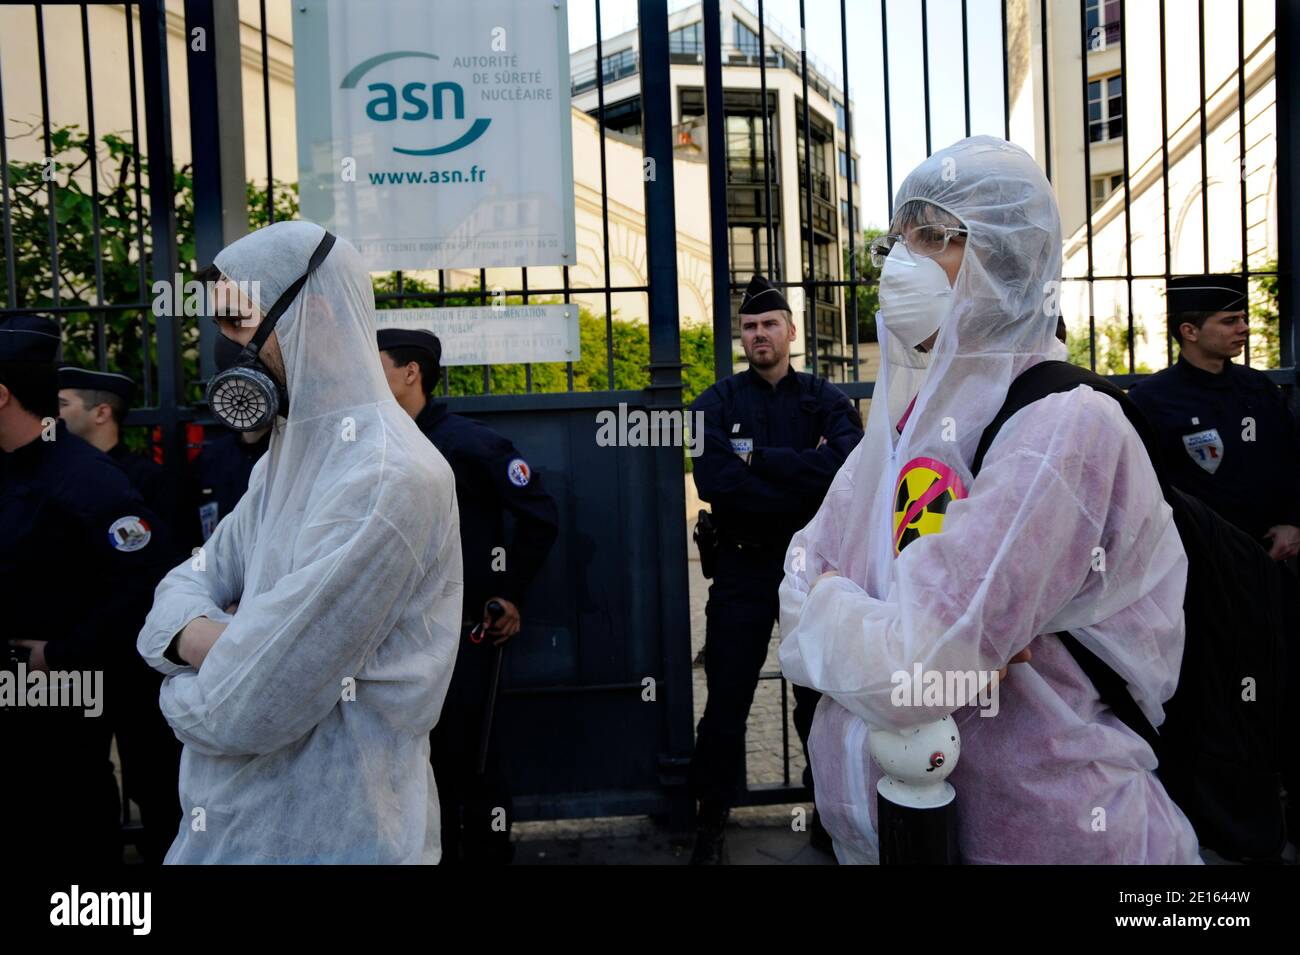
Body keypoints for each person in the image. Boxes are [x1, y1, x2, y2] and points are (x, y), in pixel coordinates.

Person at [778, 136, 1200, 864]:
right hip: (900, 838)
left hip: (1054, 834)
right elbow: (797, 577)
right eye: (898, 238)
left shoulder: (1064, 425)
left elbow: (913, 670)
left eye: (934, 236)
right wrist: (889, 621)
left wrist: (838, 604)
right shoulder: (909, 423)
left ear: (1007, 259)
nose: (902, 259)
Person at [135, 221, 464, 863]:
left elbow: (250, 708)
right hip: (233, 831)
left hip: (338, 836)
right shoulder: (286, 458)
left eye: (236, 321)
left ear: (309, 307)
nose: (228, 345)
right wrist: (227, 643)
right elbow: (185, 583)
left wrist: (180, 676)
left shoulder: (386, 476)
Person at [687, 274, 864, 864]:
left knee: (817, 697)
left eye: (769, 324)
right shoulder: (713, 404)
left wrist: (760, 460)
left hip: (812, 573)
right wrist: (800, 476)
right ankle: (709, 822)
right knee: (727, 700)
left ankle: (826, 814)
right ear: (741, 336)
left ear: (791, 330)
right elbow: (716, 483)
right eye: (749, 326)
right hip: (739, 569)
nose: (759, 334)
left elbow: (846, 470)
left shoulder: (826, 400)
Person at [377, 327, 559, 865]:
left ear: (411, 373)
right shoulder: (373, 442)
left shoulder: (469, 443)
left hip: (461, 636)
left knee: (472, 764)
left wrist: (510, 593)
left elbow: (539, 516)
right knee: (405, 764)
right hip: (390, 639)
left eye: (378, 364)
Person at [1, 313, 175, 866]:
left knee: (60, 816)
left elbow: (145, 582)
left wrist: (62, 654)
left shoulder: (87, 481)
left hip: (56, 689)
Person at [55, 365, 184, 862]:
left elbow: (164, 574)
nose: (54, 415)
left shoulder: (150, 480)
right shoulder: (54, 476)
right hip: (75, 658)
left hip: (137, 662)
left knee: (154, 779)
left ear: (102, 412)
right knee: (81, 782)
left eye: (64, 404)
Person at [1127, 274, 1300, 561]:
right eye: (1230, 321)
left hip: (1271, 555)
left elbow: (1293, 457)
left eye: (1243, 318)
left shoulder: (1260, 388)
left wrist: (1294, 522)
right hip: (1196, 559)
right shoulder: (1151, 399)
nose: (1244, 328)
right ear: (1189, 331)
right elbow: (1141, 484)